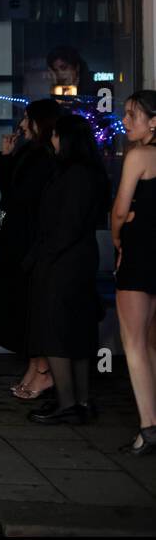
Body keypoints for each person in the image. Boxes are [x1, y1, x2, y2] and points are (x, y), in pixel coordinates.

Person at [25, 114, 109, 425]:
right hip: (79, 257)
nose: (52, 140)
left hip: (62, 260)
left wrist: (40, 257)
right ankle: (80, 400)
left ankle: (67, 402)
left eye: (56, 135)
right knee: (78, 331)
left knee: (57, 331)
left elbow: (65, 225)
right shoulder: (90, 174)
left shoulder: (74, 176)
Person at [0, 100, 62, 398]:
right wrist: (7, 157)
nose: (21, 124)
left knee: (30, 303)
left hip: (28, 239)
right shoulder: (33, 153)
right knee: (24, 304)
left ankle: (42, 370)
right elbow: (12, 195)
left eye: (27, 119)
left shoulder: (44, 157)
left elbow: (19, 199)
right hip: (20, 237)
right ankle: (35, 367)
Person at [111, 90, 156, 453]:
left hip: (140, 252)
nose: (125, 120)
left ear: (154, 122)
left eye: (132, 114)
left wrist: (119, 241)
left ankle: (149, 426)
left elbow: (119, 210)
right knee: (153, 341)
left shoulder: (139, 155)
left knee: (134, 342)